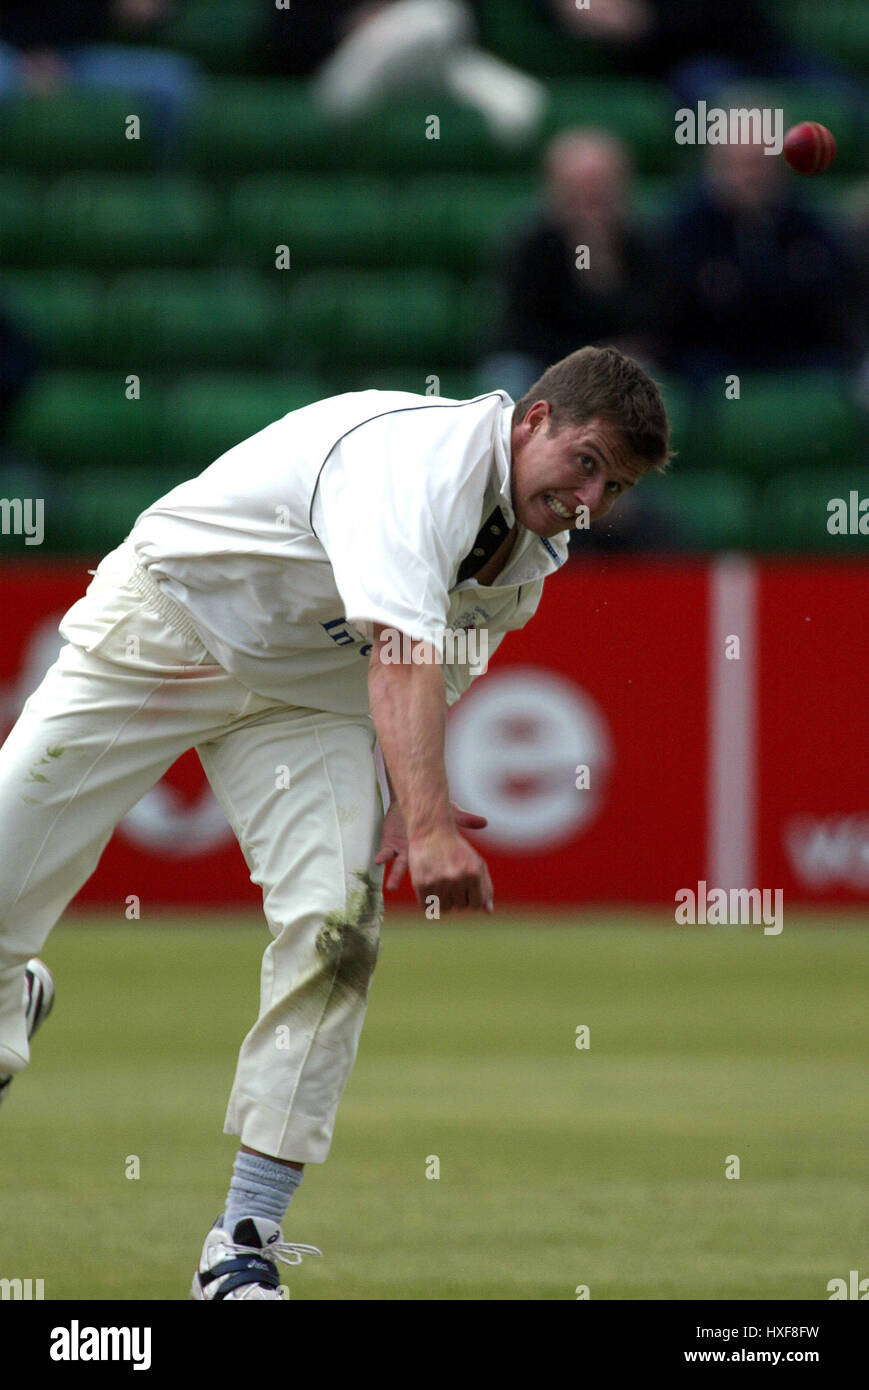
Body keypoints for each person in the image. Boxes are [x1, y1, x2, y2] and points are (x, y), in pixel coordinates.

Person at [0, 346, 670, 1299]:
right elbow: (399, 647)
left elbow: (441, 664)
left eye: (616, 485)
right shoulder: (417, 464)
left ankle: (242, 1244)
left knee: (337, 928)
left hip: (306, 704)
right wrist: (435, 829)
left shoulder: (535, 547)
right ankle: (8, 1002)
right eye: (587, 462)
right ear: (535, 420)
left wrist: (406, 801)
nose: (590, 500)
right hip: (166, 631)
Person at [481, 127, 664, 402]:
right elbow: (519, 329)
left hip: (614, 365)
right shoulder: (530, 244)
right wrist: (576, 361)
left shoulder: (642, 244)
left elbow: (653, 323)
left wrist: (603, 273)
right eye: (578, 193)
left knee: (644, 379)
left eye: (600, 193)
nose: (590, 208)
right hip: (542, 363)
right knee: (510, 377)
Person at [663, 138, 853, 385]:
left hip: (799, 354)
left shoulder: (806, 223)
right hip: (713, 360)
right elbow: (682, 311)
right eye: (741, 165)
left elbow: (827, 297)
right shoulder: (687, 230)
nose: (753, 177)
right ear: (716, 168)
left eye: (763, 165)